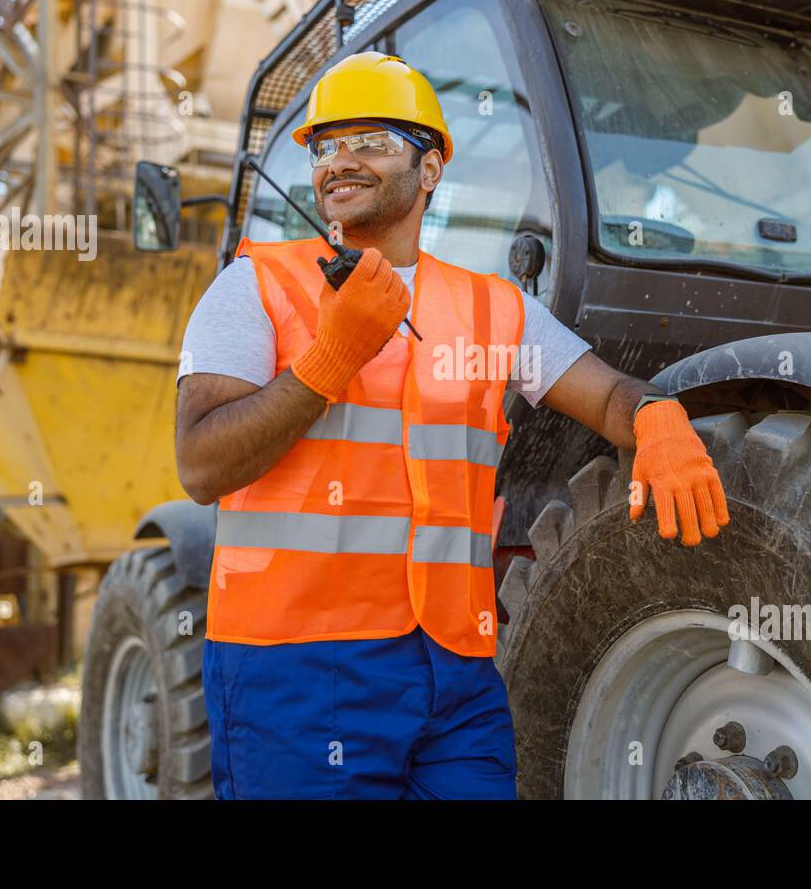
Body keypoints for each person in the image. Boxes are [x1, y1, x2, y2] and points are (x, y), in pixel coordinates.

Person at [174, 51, 729, 799]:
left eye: (368, 141)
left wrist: (656, 416)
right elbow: (202, 465)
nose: (340, 161)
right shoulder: (256, 286)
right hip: (295, 674)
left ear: (429, 168)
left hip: (455, 677)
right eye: (326, 146)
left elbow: (606, 398)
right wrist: (332, 356)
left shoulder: (492, 308)